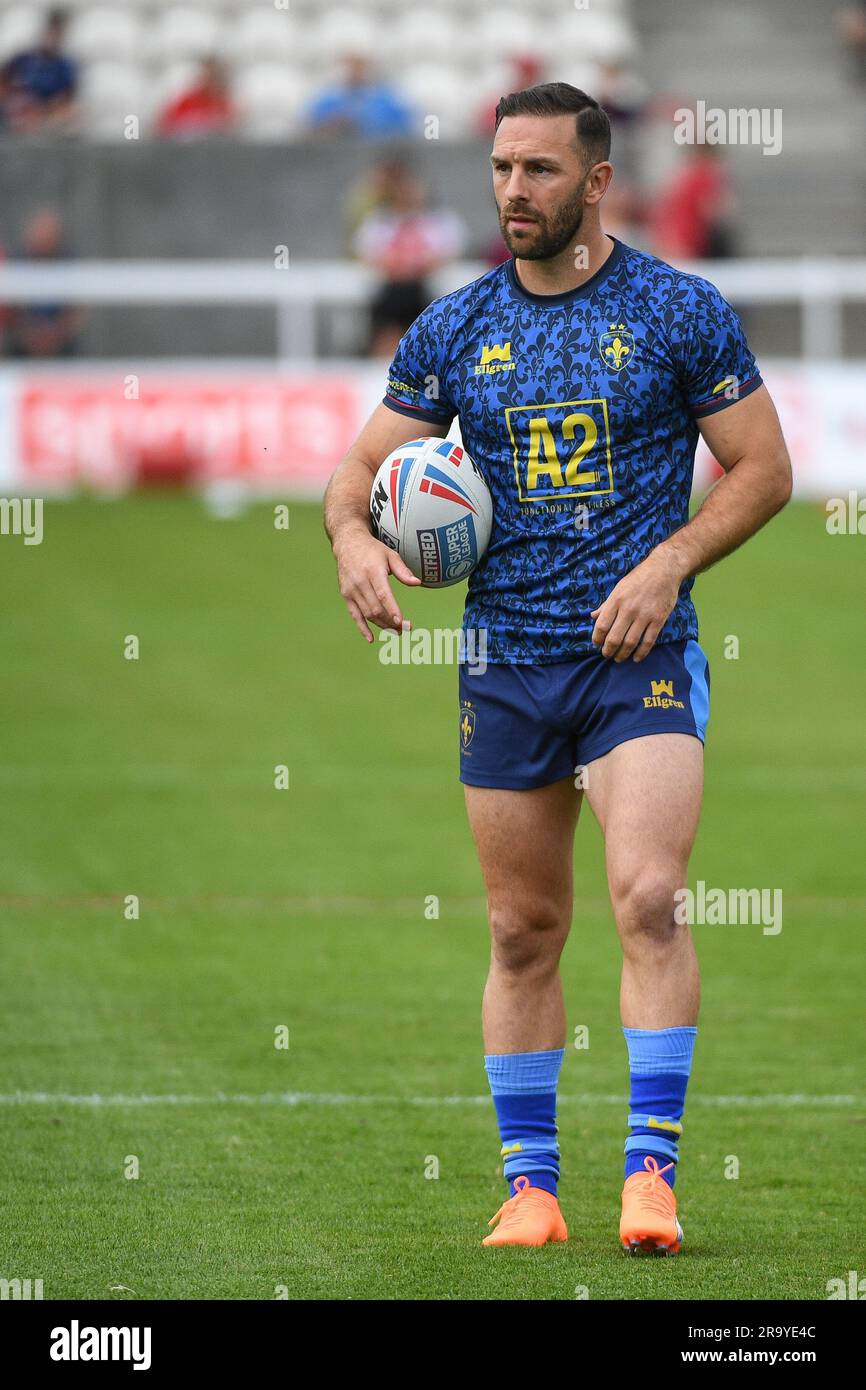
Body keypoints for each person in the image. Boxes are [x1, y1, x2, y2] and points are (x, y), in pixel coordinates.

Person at [323, 83, 791, 1252]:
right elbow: (354, 473)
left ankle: (649, 1174)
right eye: (498, 169)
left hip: (636, 661)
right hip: (501, 665)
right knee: (521, 928)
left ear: (595, 182)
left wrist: (667, 564)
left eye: (536, 170)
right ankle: (530, 1189)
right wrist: (350, 540)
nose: (511, 191)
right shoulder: (453, 326)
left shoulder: (677, 310)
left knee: (646, 897)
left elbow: (762, 469)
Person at [353, 166, 465, 358]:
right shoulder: (379, 221)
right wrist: (399, 265)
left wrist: (414, 265)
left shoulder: (440, 221)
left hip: (425, 289)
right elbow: (367, 254)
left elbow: (448, 252)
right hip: (391, 289)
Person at [6, 209, 82, 358]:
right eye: (40, 232)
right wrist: (29, 333)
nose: (43, 238)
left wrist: (57, 333)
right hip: (23, 338)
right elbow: (13, 308)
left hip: (61, 339)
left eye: (48, 234)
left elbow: (79, 308)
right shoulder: (17, 263)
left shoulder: (68, 263)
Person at [0, 9, 78, 133]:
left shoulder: (64, 65)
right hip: (21, 107)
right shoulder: (24, 58)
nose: (50, 40)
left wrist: (48, 108)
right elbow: (5, 78)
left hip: (48, 109)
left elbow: (67, 95)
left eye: (55, 35)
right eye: (49, 34)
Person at [306, 53, 413, 139]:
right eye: (351, 67)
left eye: (360, 67)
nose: (355, 72)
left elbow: (402, 128)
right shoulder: (327, 100)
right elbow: (312, 127)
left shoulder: (386, 100)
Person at [154, 58, 236, 139]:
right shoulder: (188, 101)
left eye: (217, 77)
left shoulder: (224, 105)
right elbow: (164, 125)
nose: (214, 81)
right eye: (211, 76)